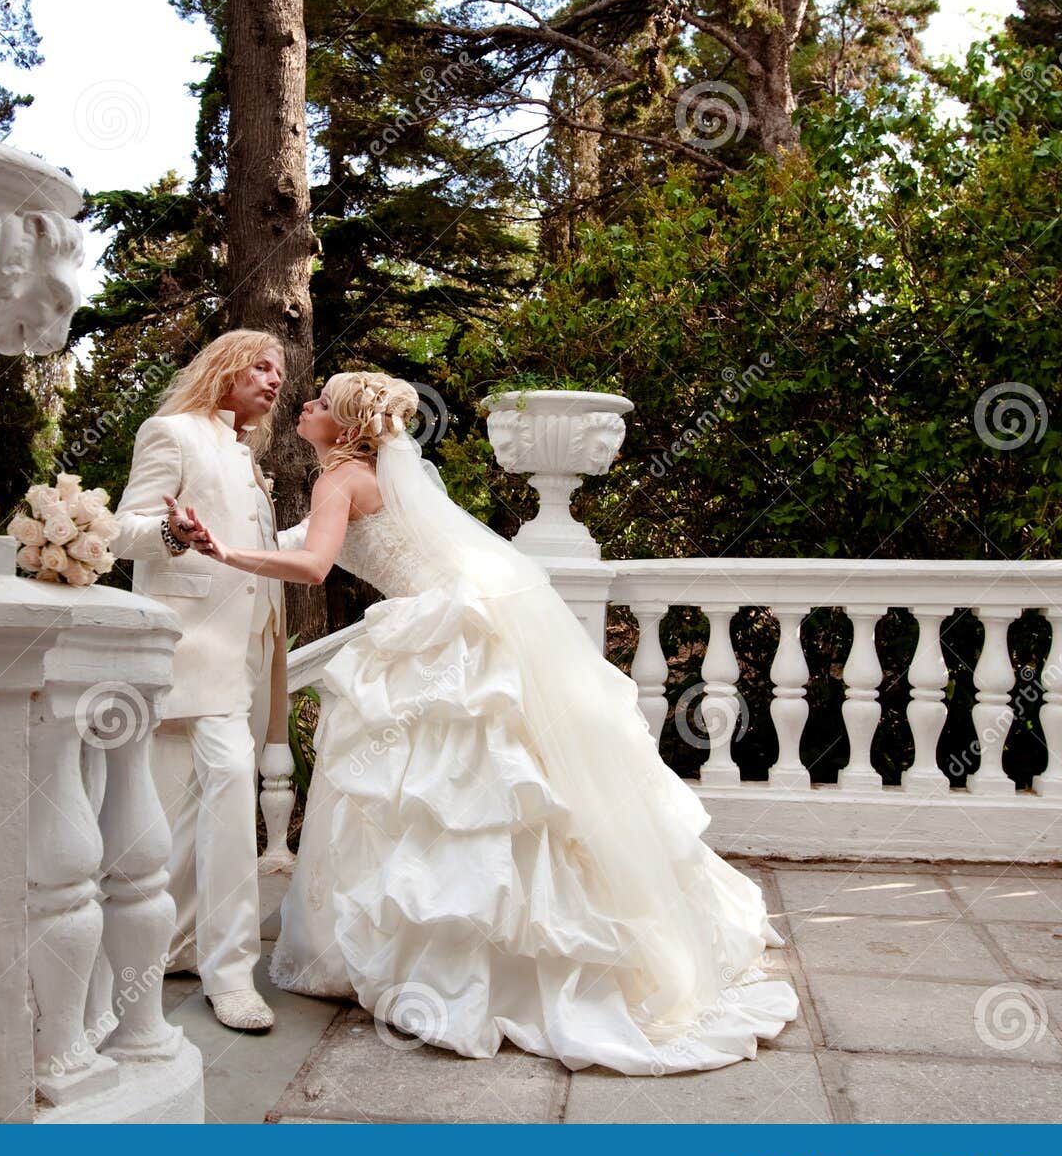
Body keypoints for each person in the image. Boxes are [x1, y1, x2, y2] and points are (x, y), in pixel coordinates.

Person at [181, 370, 799, 1073]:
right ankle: (502, 944)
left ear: (348, 426)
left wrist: (223, 552)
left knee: (432, 795)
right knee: (483, 792)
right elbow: (310, 539)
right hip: (459, 625)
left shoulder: (340, 479)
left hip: (431, 638)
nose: (307, 405)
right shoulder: (374, 476)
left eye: (322, 402)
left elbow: (315, 565)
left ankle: (448, 959)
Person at [111, 330, 289, 1034]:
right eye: (261, 364)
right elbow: (123, 529)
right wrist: (171, 534)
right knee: (203, 805)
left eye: (280, 371)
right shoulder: (173, 433)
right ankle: (231, 975)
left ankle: (185, 951)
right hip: (183, 652)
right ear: (225, 366)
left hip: (237, 665)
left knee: (189, 820)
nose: (274, 379)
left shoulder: (245, 456)